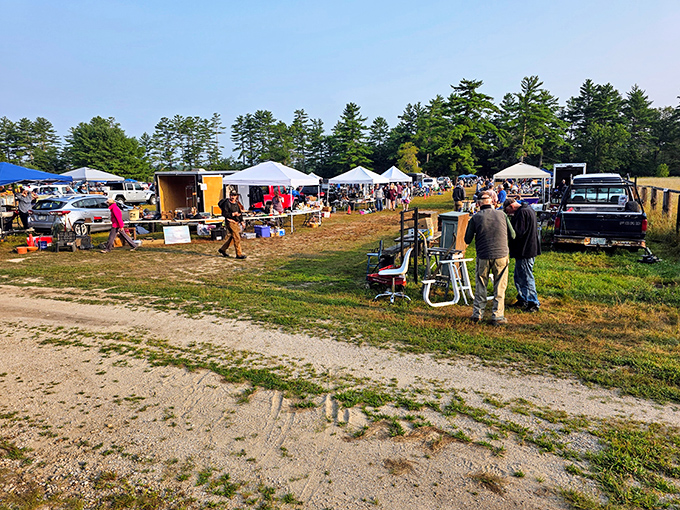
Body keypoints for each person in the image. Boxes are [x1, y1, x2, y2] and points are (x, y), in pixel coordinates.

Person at [464, 192, 515, 325]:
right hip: (501, 254)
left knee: (481, 283)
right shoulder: (502, 215)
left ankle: (477, 314)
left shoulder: (475, 218)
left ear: (479, 204)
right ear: (492, 202)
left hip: (483, 255)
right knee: (500, 285)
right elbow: (513, 235)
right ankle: (497, 316)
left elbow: (467, 239)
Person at [504, 198, 541, 312]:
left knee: (525, 276)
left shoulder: (522, 213)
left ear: (511, 206)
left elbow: (517, 233)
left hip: (525, 250)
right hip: (526, 249)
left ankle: (533, 302)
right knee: (519, 275)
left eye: (508, 211)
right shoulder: (527, 209)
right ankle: (523, 298)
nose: (509, 214)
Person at [218, 191, 246, 259]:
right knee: (237, 238)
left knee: (234, 237)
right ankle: (239, 254)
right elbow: (224, 214)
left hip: (236, 222)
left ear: (236, 196)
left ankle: (222, 249)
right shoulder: (227, 203)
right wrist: (232, 214)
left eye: (234, 195)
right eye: (231, 195)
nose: (233, 197)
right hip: (230, 222)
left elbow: (240, 213)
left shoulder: (237, 204)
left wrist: (242, 221)